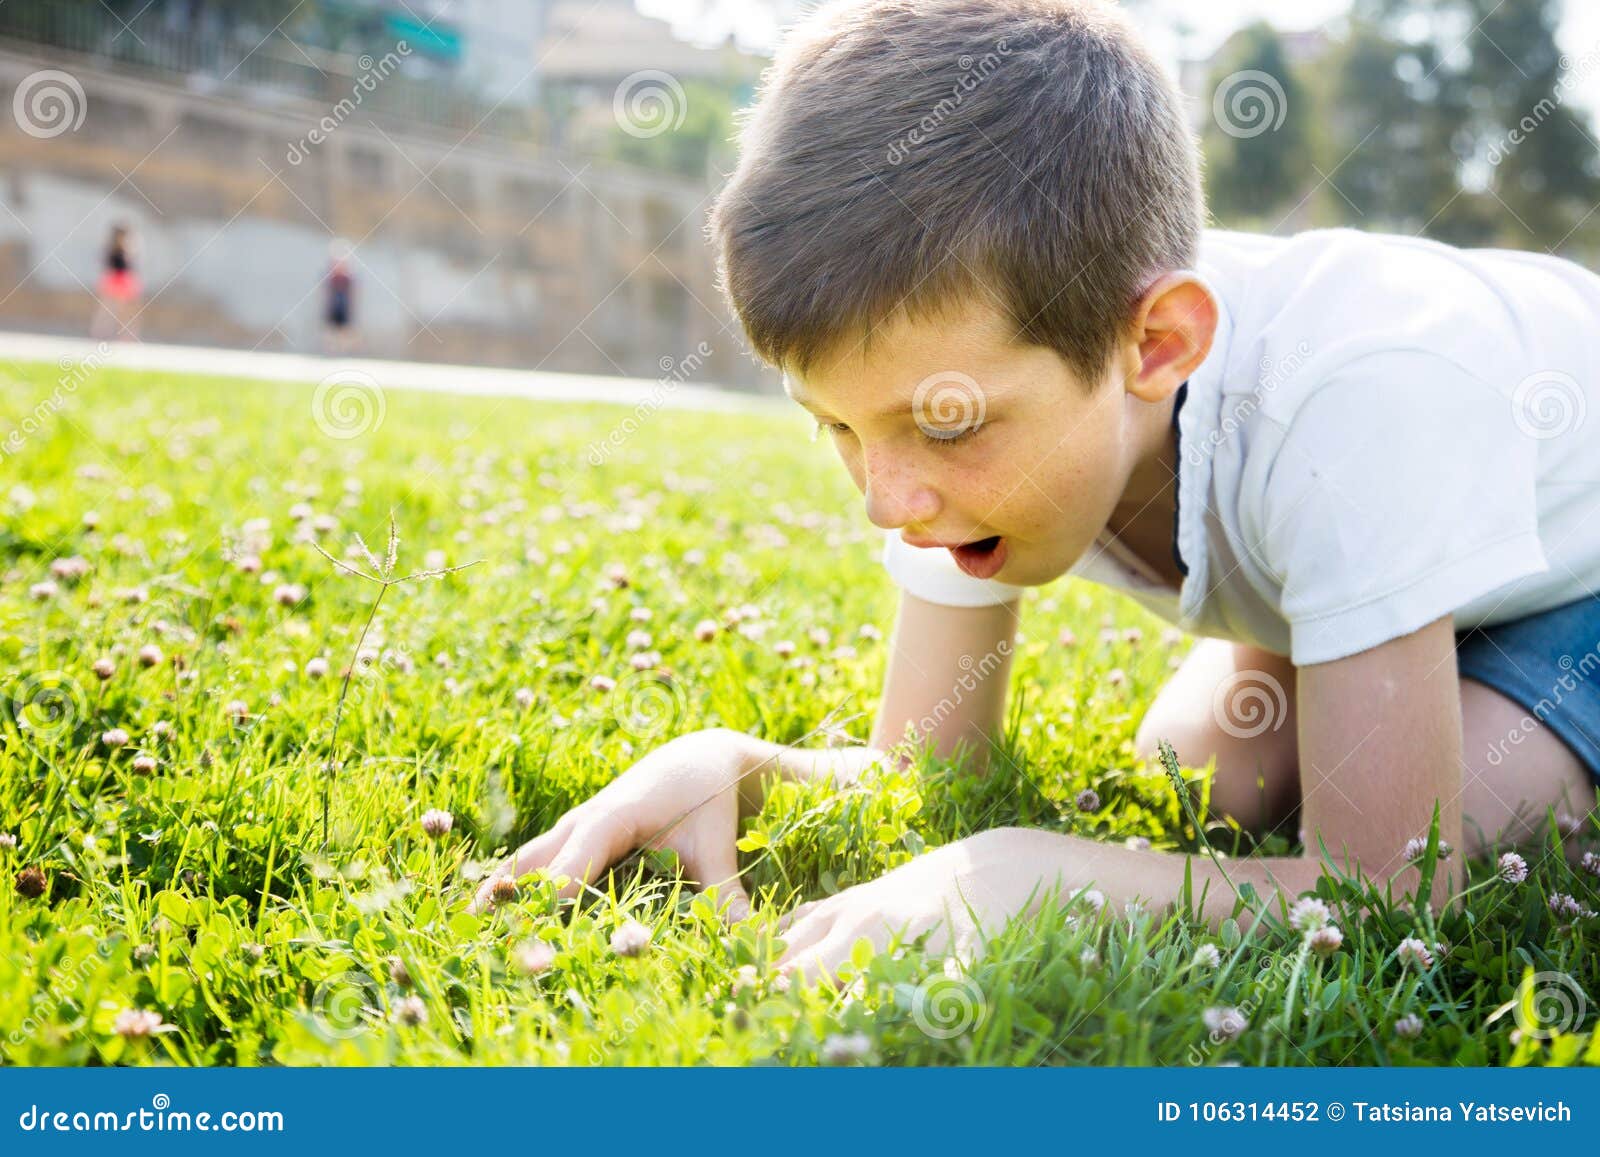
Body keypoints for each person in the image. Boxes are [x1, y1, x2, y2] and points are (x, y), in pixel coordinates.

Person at [475, 0, 1600, 980]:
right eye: (837, 426)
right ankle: (1384, 624)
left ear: (1156, 344)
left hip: (1578, 569)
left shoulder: (1355, 405)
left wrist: (1031, 871)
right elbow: (925, 764)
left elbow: (1390, 895)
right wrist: (732, 764)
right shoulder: (956, 397)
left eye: (945, 425)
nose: (886, 502)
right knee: (1206, 775)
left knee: (1470, 819)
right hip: (1404, 524)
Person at [92, 223, 142, 341]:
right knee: (108, 308)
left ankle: (125, 336)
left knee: (126, 311)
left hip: (124, 281)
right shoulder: (111, 250)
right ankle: (101, 333)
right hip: (114, 280)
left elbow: (130, 267)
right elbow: (108, 266)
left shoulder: (127, 250)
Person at [322, 240, 357, 354]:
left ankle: (342, 350)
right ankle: (331, 349)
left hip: (343, 304)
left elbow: (351, 293)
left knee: (343, 328)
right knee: (331, 327)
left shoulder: (347, 278)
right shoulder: (332, 277)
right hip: (334, 304)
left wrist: (351, 306)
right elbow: (327, 291)